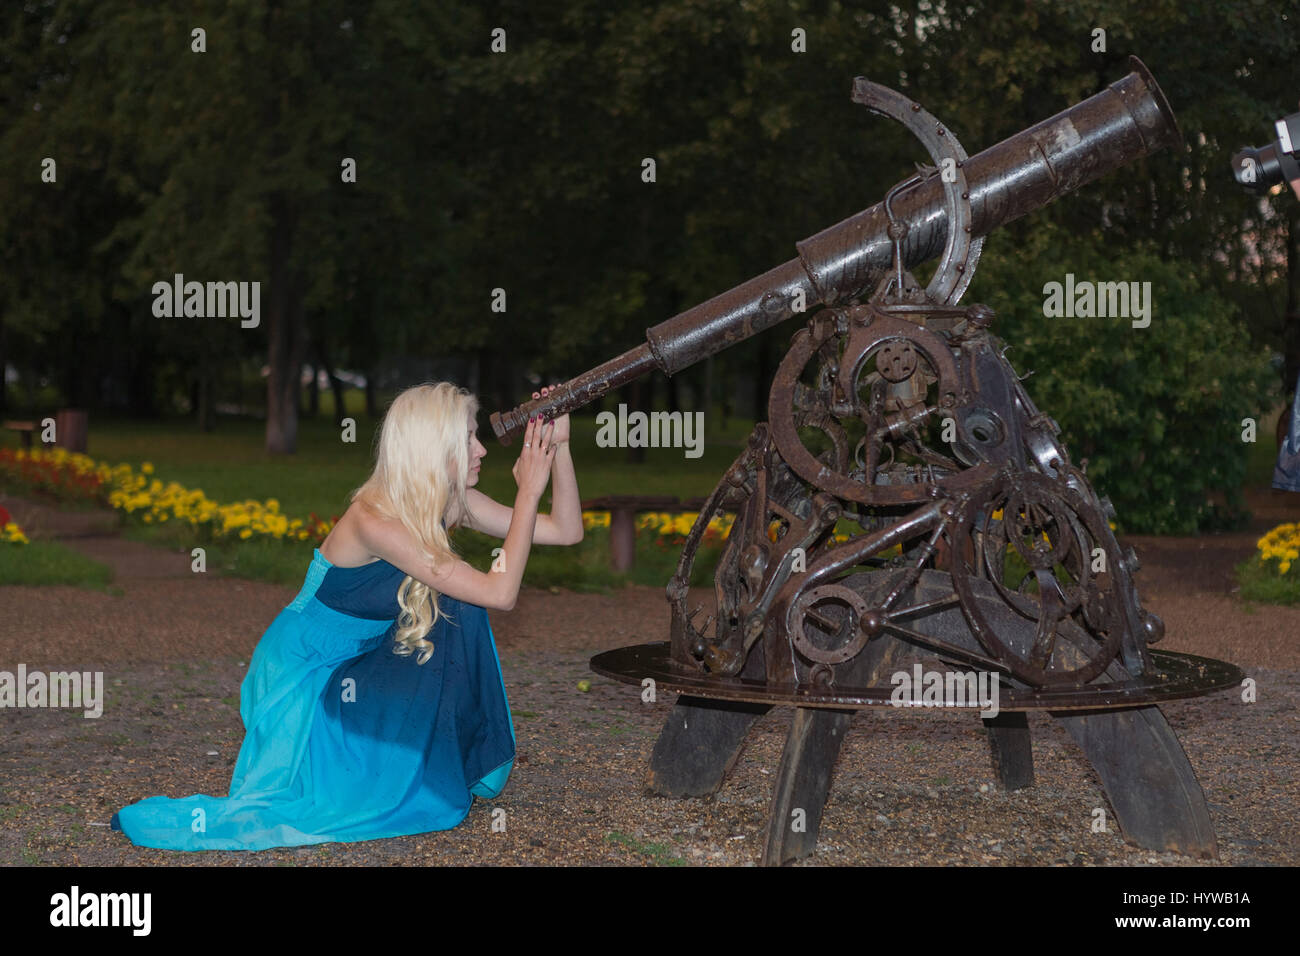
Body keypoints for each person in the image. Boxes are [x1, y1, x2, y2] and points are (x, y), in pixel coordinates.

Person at [111, 381, 581, 850]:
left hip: (361, 656)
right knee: (464, 600)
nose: (481, 449)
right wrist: (527, 493)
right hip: (307, 677)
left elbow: (566, 530)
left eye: (477, 435)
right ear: (430, 448)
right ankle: (389, 767)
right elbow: (501, 593)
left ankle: (446, 759)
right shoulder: (374, 521)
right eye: (468, 438)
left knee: (458, 607)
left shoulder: (444, 501)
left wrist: (558, 449)